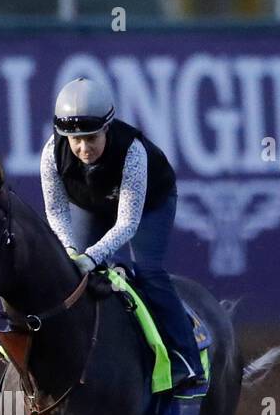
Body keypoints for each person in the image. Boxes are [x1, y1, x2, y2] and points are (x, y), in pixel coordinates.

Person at [40, 76, 202, 390]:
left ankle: (186, 357)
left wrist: (90, 256)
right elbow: (57, 211)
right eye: (76, 141)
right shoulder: (51, 154)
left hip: (150, 204)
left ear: (107, 129)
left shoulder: (133, 152)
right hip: (92, 204)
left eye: (91, 138)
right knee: (76, 275)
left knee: (148, 271)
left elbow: (127, 223)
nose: (84, 148)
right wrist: (73, 252)